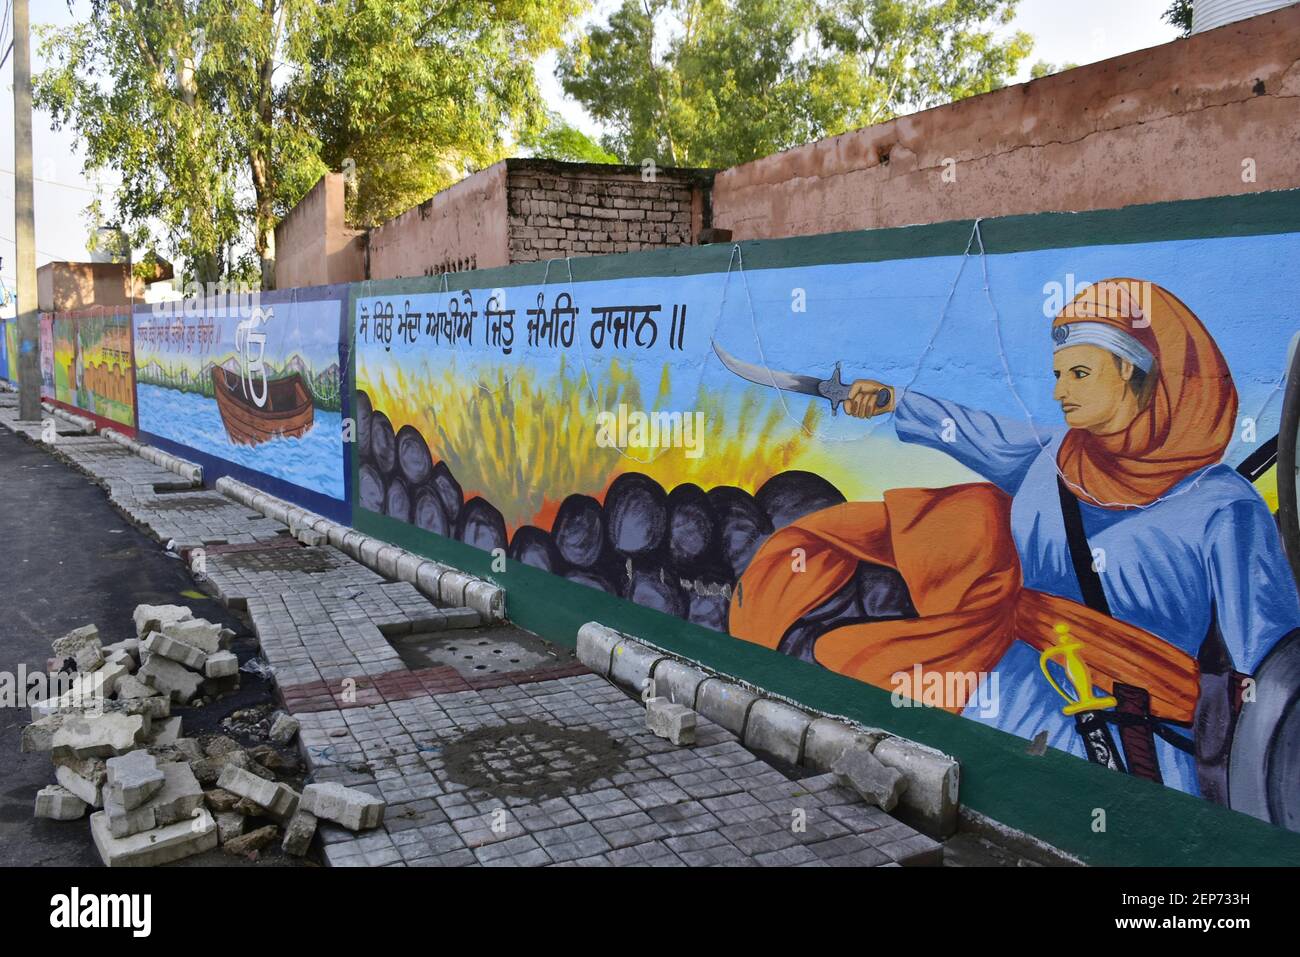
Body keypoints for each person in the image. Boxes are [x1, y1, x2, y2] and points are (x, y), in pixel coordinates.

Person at [729, 279, 1300, 798]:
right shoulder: (1053, 456)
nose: (1059, 392)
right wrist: (894, 400)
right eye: (1057, 374)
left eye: (1079, 374)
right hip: (1006, 698)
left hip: (1139, 744)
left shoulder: (1224, 507)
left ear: (1133, 371)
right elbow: (966, 429)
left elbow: (1273, 669)